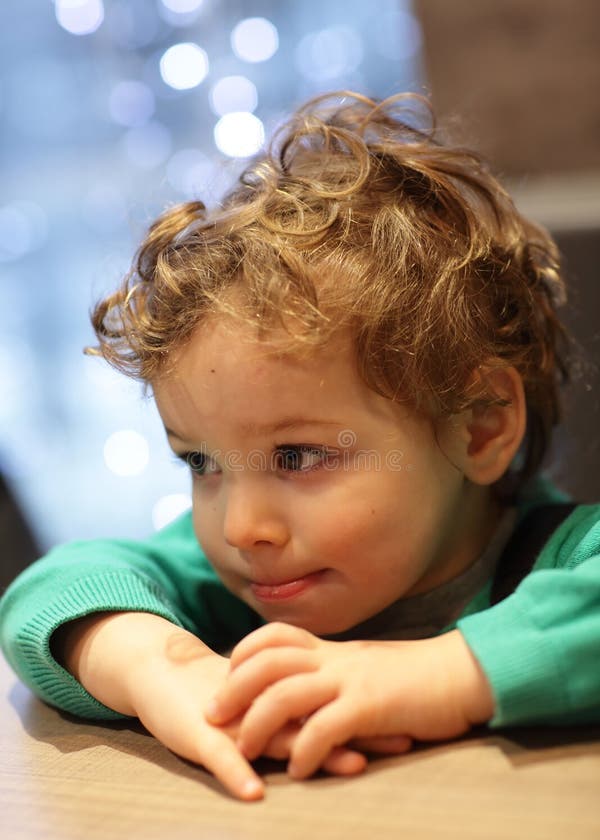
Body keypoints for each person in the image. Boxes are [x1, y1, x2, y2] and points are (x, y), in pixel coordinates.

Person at [1, 92, 598, 802]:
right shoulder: (251, 578)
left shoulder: (558, 559)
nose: (240, 528)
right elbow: (55, 587)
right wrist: (164, 666)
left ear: (480, 425)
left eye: (297, 457)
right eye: (201, 463)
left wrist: (441, 675)